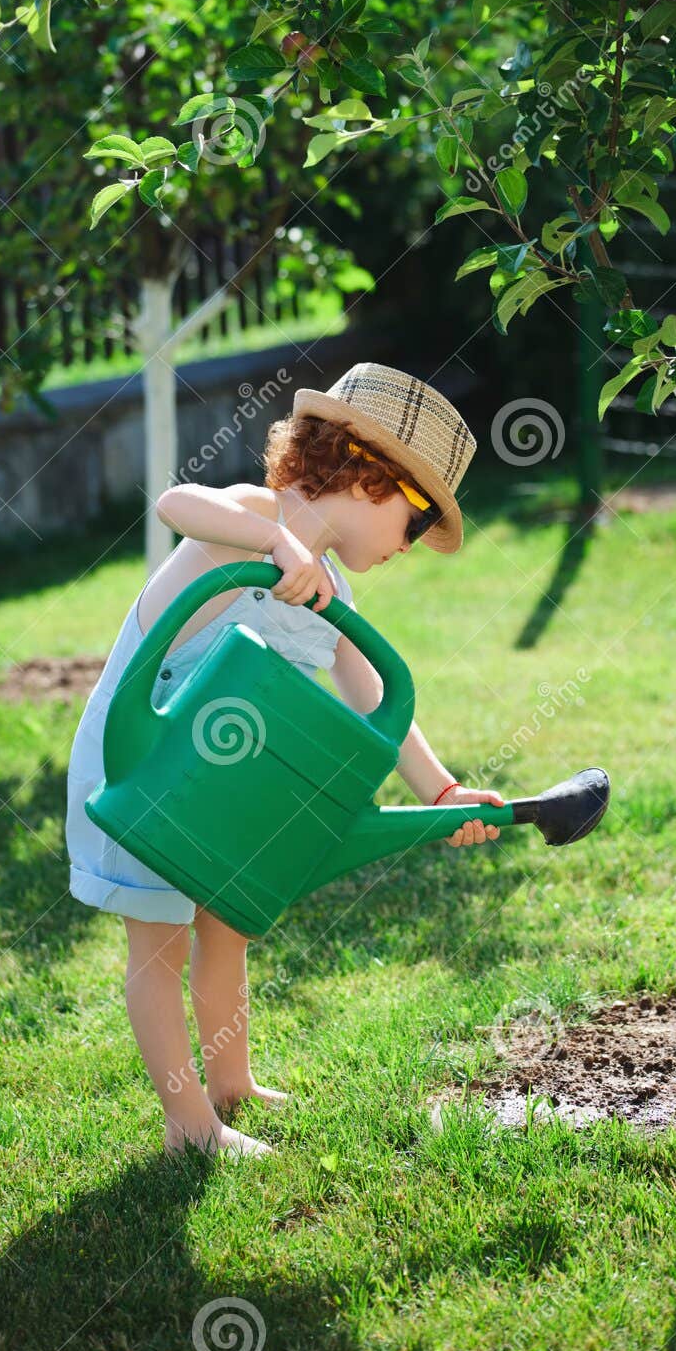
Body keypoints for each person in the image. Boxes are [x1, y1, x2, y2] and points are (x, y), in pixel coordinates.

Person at [64, 362, 504, 1161]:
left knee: (227, 924)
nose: (412, 546)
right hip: (138, 767)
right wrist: (273, 539)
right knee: (158, 946)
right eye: (417, 523)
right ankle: (189, 1126)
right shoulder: (258, 515)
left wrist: (442, 790)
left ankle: (232, 1083)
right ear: (375, 482)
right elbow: (173, 503)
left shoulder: (327, 589)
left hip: (212, 778)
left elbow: (377, 701)